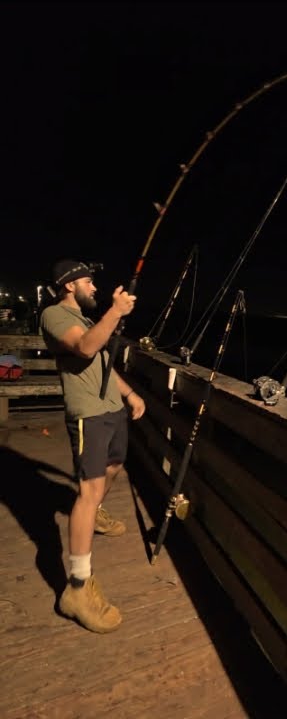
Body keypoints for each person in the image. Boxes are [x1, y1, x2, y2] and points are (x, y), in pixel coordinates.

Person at [39, 260, 146, 633]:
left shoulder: (86, 319)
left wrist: (129, 394)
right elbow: (85, 348)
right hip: (89, 414)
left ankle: (96, 513)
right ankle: (78, 587)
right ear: (69, 285)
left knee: (114, 466)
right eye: (88, 281)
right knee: (88, 491)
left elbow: (103, 361)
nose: (95, 287)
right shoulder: (54, 315)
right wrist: (116, 312)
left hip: (112, 409)